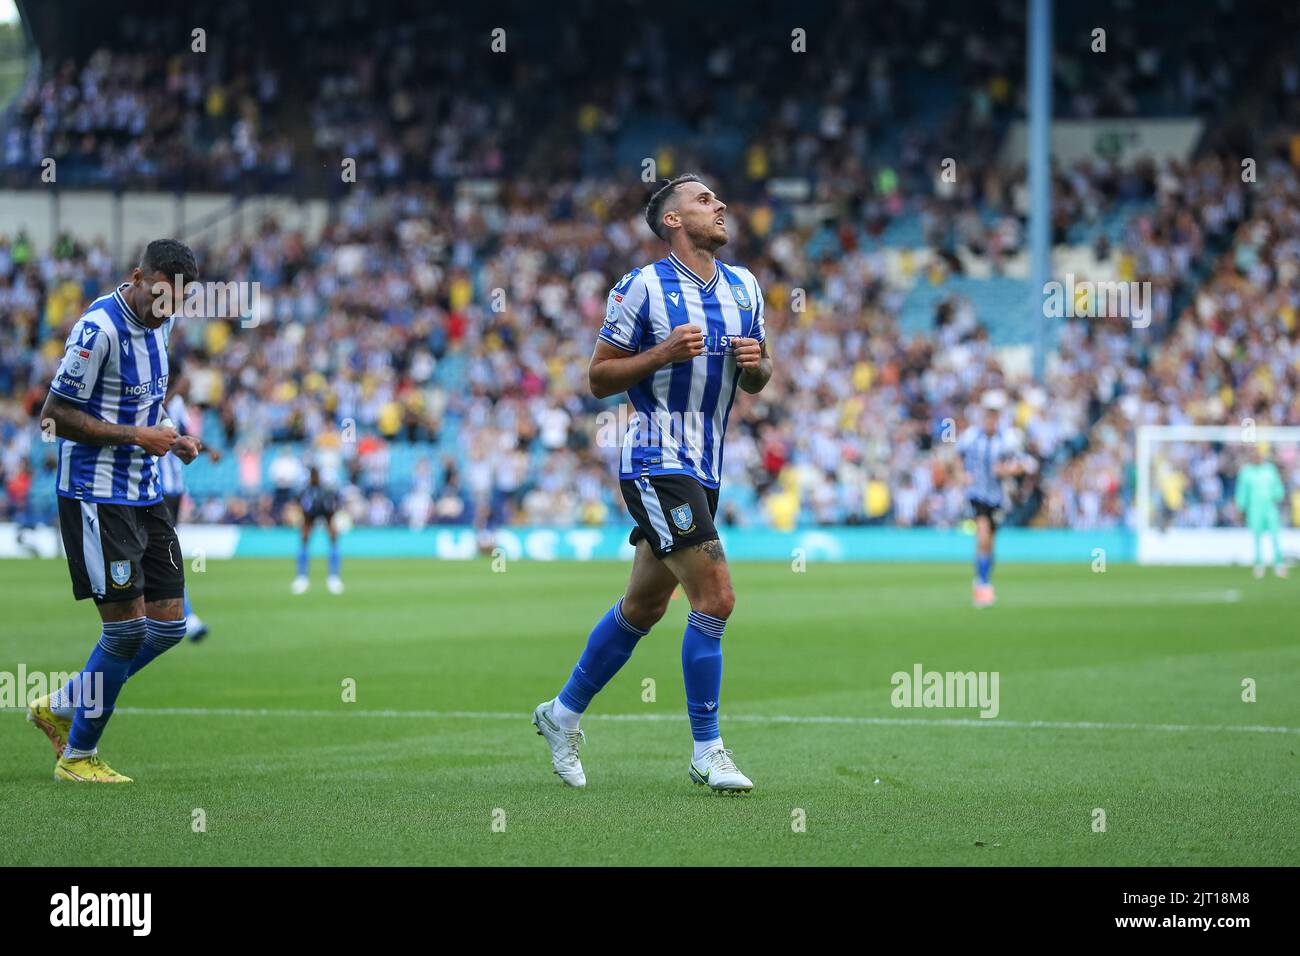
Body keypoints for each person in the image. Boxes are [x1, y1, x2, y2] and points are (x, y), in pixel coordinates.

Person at [533, 175, 772, 793]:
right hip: (655, 457)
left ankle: (560, 716)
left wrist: (757, 367)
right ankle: (707, 749)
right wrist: (662, 354)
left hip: (707, 464)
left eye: (719, 198)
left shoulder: (745, 286)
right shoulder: (639, 288)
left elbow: (759, 377)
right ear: (672, 221)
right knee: (716, 599)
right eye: (702, 200)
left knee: (643, 606)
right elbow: (599, 377)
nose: (719, 205)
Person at [27, 239, 205, 783]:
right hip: (96, 497)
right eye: (158, 299)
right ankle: (78, 757)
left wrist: (172, 439)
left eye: (174, 303)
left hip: (146, 492)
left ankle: (62, 702)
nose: (164, 311)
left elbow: (145, 403)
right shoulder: (97, 330)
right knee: (125, 633)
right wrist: (137, 435)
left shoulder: (164, 323)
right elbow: (53, 417)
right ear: (137, 277)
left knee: (169, 625)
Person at [956, 398, 1025, 608]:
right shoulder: (971, 437)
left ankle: (982, 578)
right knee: (983, 534)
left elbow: (1022, 465)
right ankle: (983, 585)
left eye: (994, 416)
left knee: (990, 543)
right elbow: (957, 457)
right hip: (976, 494)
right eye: (988, 415)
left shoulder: (1007, 439)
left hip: (997, 497)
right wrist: (962, 474)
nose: (990, 420)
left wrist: (1007, 470)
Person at [1235, 444, 1288, 578]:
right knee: (1257, 537)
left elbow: (1277, 488)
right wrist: (1240, 508)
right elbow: (1242, 492)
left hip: (1270, 507)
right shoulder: (1246, 471)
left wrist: (1279, 495)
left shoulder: (1270, 470)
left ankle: (1279, 563)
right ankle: (1259, 564)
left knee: (1275, 536)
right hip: (1254, 508)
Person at [292, 464, 344, 594]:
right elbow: (300, 503)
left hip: (326, 514)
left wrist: (331, 519)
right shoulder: (306, 489)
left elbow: (333, 504)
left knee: (333, 539)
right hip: (310, 516)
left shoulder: (325, 490)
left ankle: (334, 577)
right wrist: (303, 519)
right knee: (304, 539)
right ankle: (302, 577)